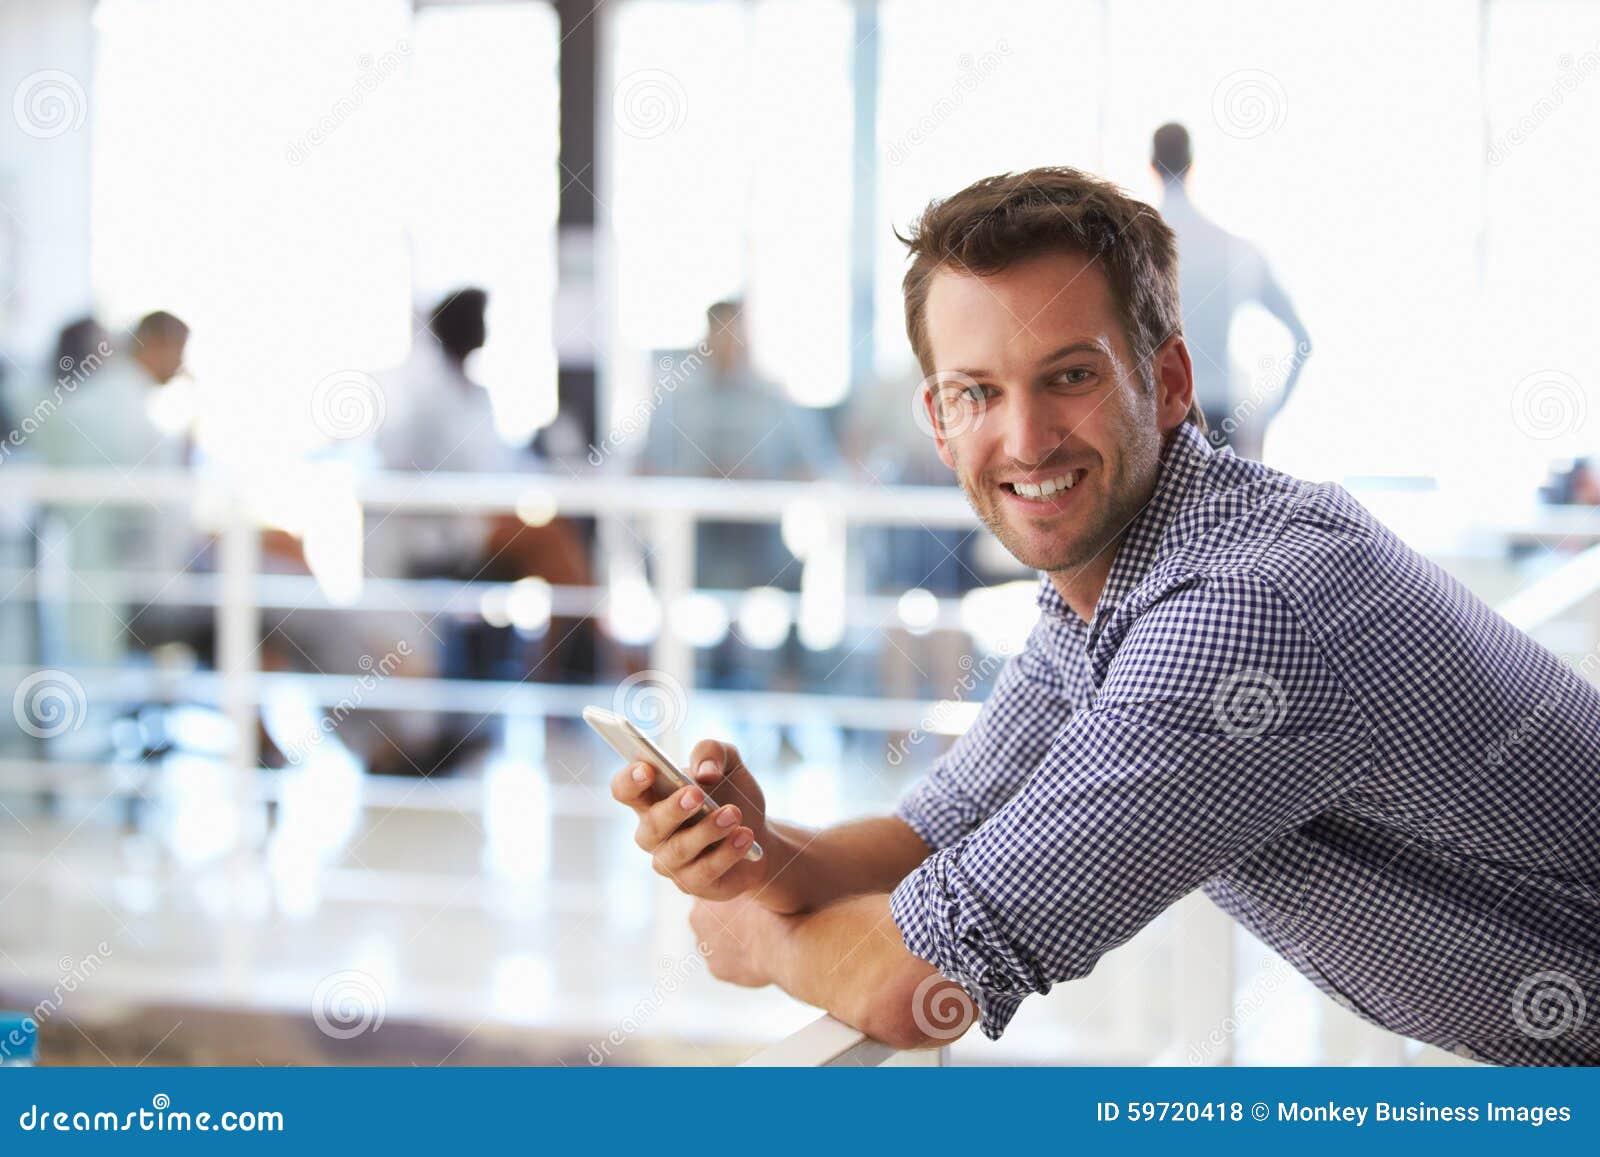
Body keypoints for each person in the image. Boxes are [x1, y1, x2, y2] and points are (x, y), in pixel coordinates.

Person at [606, 167, 1599, 1065]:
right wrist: (750, 849)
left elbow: (930, 983)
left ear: (1166, 384)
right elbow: (931, 834)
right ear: (939, 422)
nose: (1026, 438)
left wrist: (761, 939)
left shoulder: (1239, 610)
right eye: (978, 392)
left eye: (1069, 376)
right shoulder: (1108, 590)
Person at [1152, 123, 1312, 459]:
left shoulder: (1132, 254)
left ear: (1152, 165)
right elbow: (1302, 340)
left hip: (1158, 421)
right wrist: (1263, 416)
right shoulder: (1236, 251)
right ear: (1192, 164)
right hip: (1226, 418)